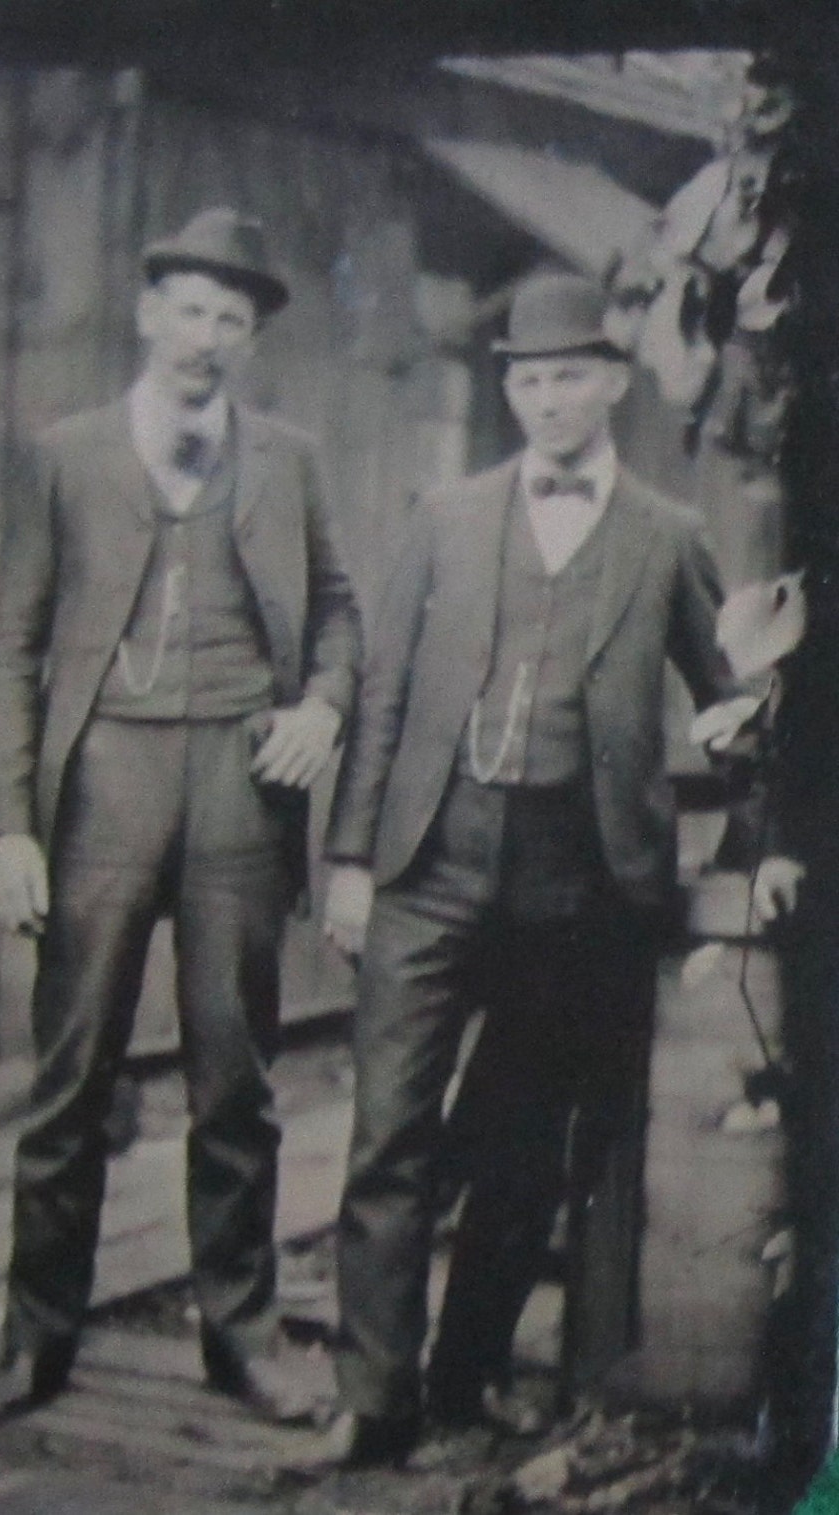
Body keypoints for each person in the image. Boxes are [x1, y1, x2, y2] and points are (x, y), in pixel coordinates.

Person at [320, 269, 748, 1467]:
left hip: (580, 886)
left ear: (613, 384)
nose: (549, 399)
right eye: (528, 378)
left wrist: (759, 847)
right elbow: (385, 691)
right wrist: (351, 858)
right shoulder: (446, 518)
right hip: (429, 862)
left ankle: (461, 1385)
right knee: (388, 1133)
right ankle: (373, 1395)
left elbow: (733, 712)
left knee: (520, 1148)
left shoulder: (669, 537)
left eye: (571, 376)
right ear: (506, 388)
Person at [0, 207, 361, 1424]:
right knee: (73, 1066)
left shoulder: (288, 458)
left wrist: (326, 707)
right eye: (188, 309)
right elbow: (9, 646)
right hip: (104, 781)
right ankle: (36, 1337)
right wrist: (8, 827)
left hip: (243, 783)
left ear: (250, 340)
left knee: (234, 1077)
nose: (206, 336)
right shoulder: (67, 453)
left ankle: (238, 1341)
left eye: (230, 319)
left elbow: (341, 610)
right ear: (148, 316)